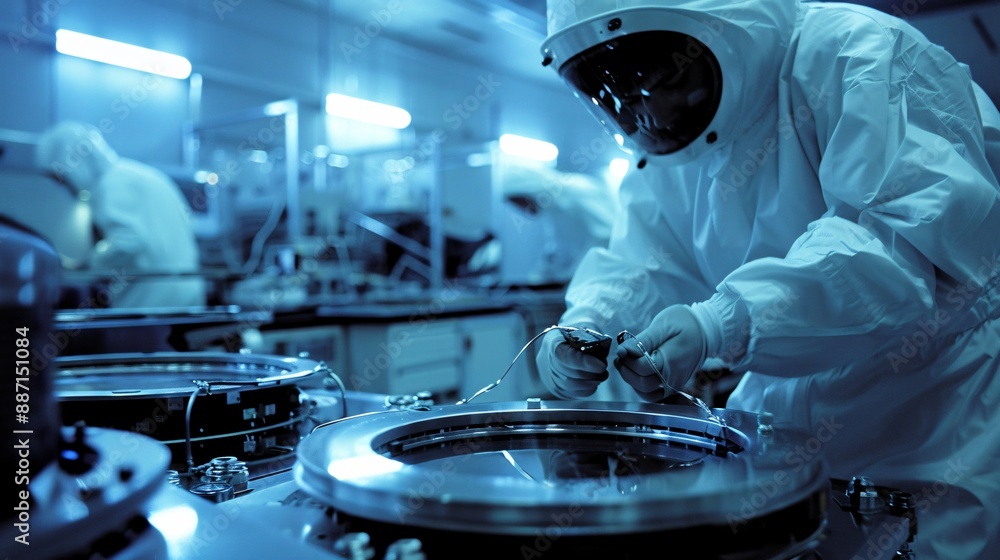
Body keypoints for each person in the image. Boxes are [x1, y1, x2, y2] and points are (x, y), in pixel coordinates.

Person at [534, 0, 1000, 558]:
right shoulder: (673, 154)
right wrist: (588, 323)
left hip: (929, 417)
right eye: (624, 98)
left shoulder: (856, 52)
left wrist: (722, 321)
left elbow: (894, 251)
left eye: (665, 79)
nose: (651, 114)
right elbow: (648, 262)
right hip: (781, 428)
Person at [35, 121, 206, 308]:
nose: (64, 185)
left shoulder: (110, 186)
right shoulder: (136, 173)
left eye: (61, 177)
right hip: (186, 290)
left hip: (154, 297)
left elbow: (128, 241)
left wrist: (89, 264)